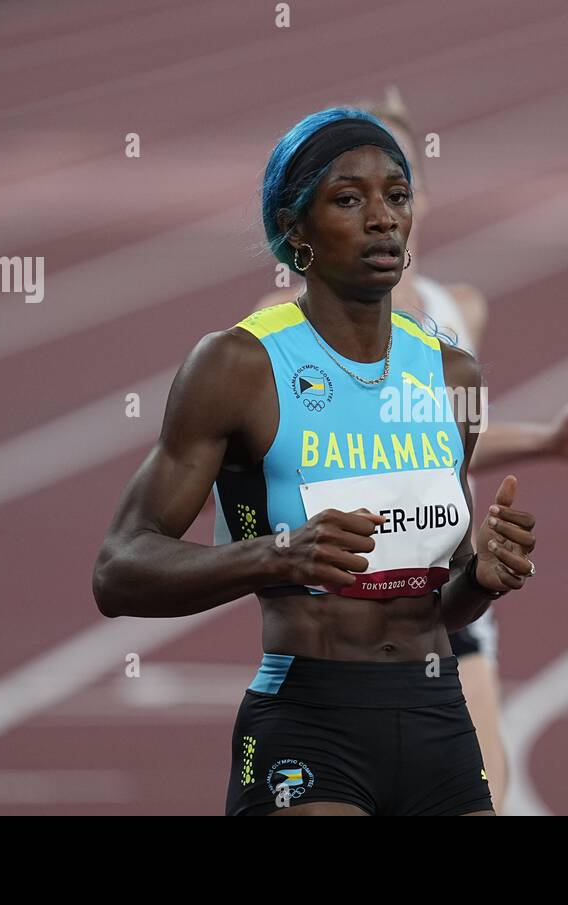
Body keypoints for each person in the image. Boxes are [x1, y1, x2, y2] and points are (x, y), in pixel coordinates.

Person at [93, 106, 538, 816]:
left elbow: (437, 601)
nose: (383, 219)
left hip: (437, 721)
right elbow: (118, 570)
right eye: (348, 199)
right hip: (309, 723)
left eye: (396, 194)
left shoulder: (455, 376)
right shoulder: (239, 365)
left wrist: (481, 578)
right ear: (295, 230)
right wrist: (276, 555)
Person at [252, 87, 568, 811]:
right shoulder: (277, 330)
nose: (382, 200)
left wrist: (547, 438)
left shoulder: (460, 314)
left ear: (420, 188)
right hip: (340, 628)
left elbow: (451, 445)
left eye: (398, 174)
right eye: (350, 186)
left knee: (492, 788)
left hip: (446, 606)